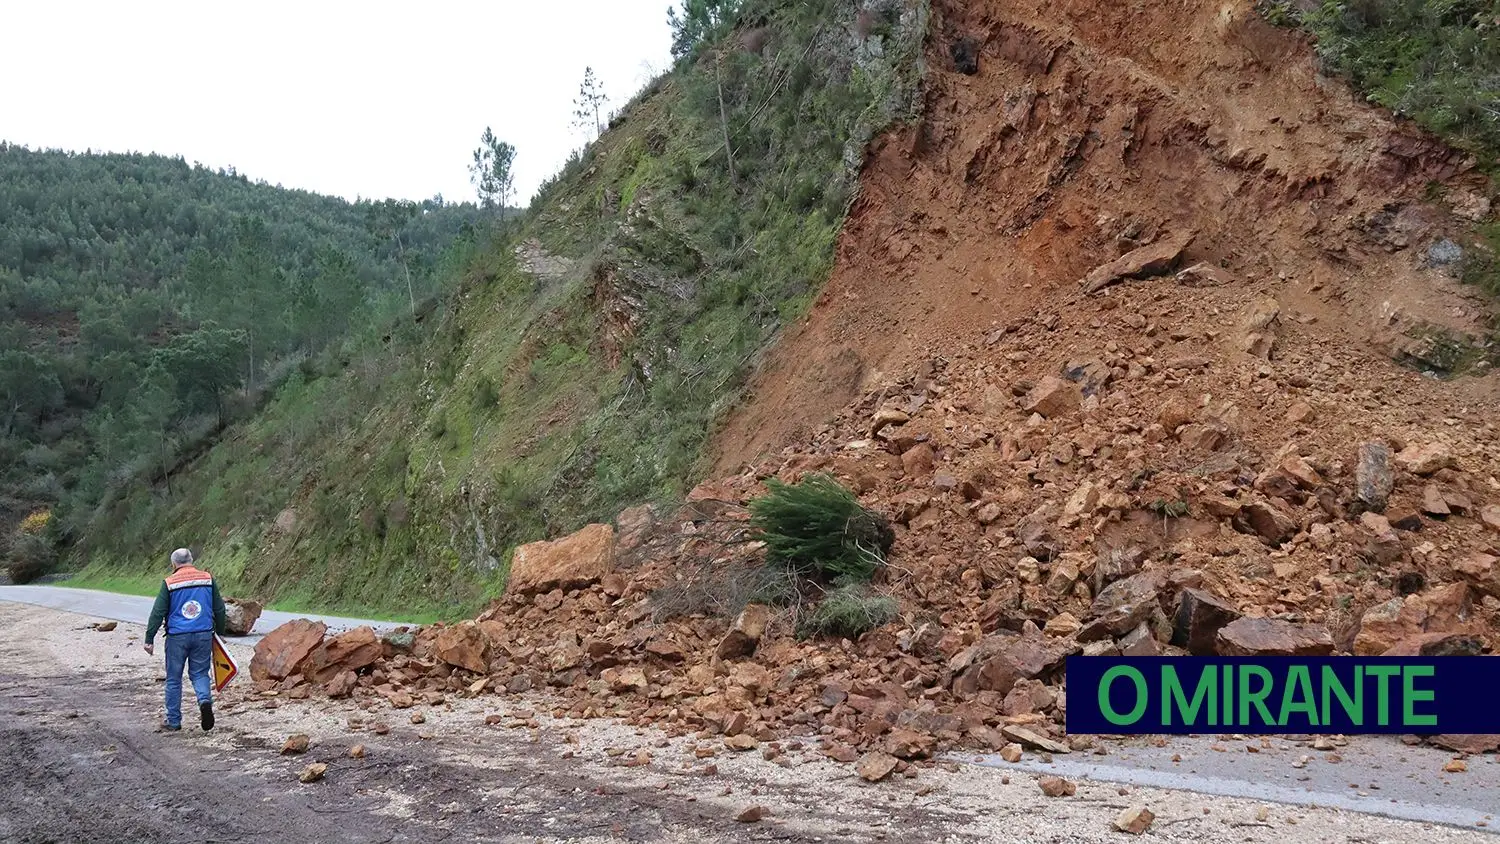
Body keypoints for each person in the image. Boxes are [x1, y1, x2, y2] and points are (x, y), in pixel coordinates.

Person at [143, 548, 226, 732]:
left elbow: (158, 612)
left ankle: (173, 721)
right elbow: (219, 608)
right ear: (191, 560)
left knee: (173, 679)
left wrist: (149, 638)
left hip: (177, 637)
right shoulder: (207, 578)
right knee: (200, 674)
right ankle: (204, 701)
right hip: (203, 633)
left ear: (174, 564)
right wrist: (220, 632)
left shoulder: (169, 582)